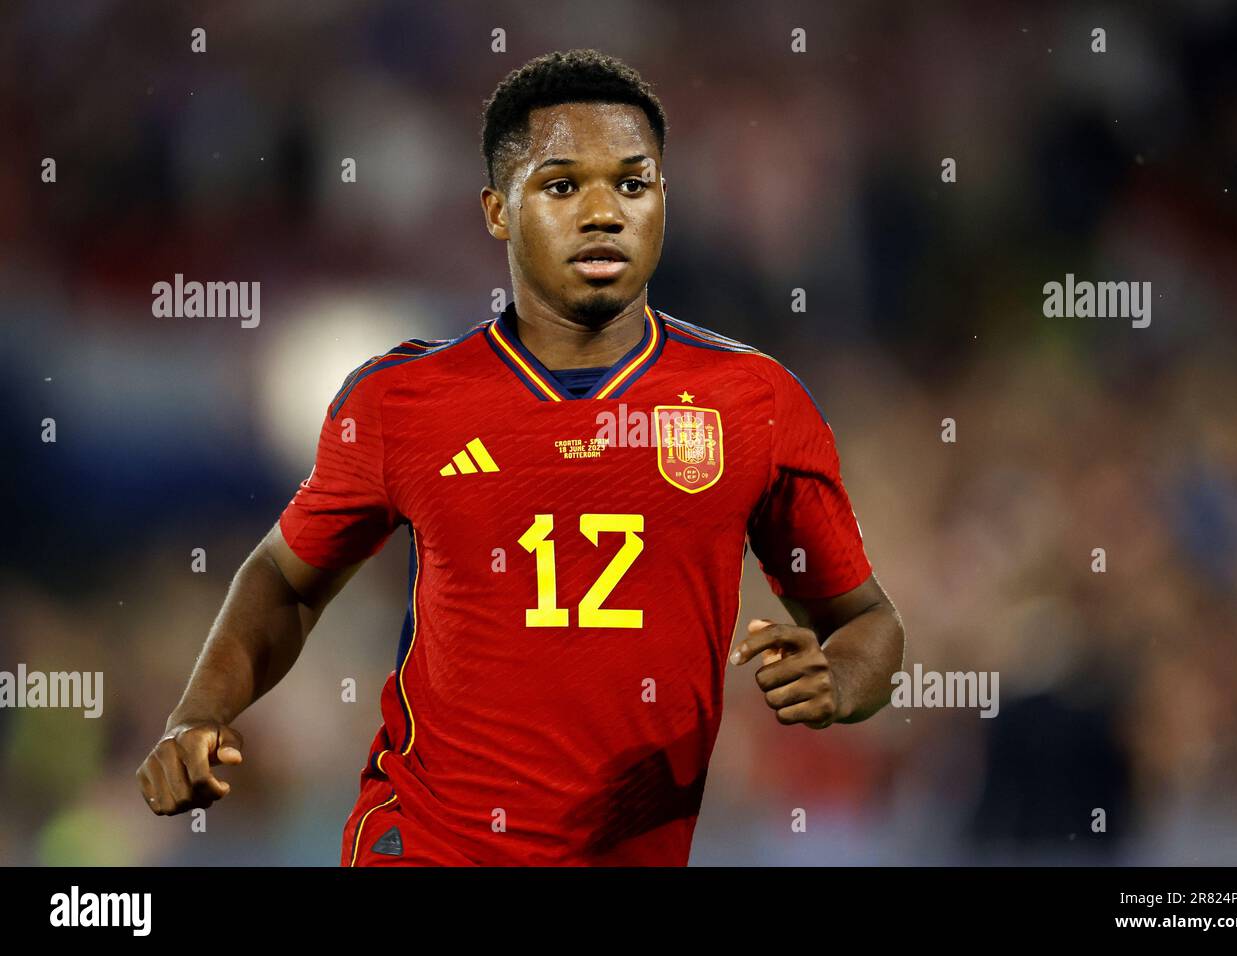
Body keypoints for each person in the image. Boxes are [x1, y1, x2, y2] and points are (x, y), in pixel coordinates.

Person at [137, 48, 905, 866]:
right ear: (498, 209)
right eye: (564, 185)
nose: (604, 212)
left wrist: (841, 684)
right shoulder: (403, 400)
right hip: (427, 845)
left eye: (633, 184)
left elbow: (865, 622)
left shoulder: (754, 401)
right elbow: (286, 580)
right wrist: (200, 712)